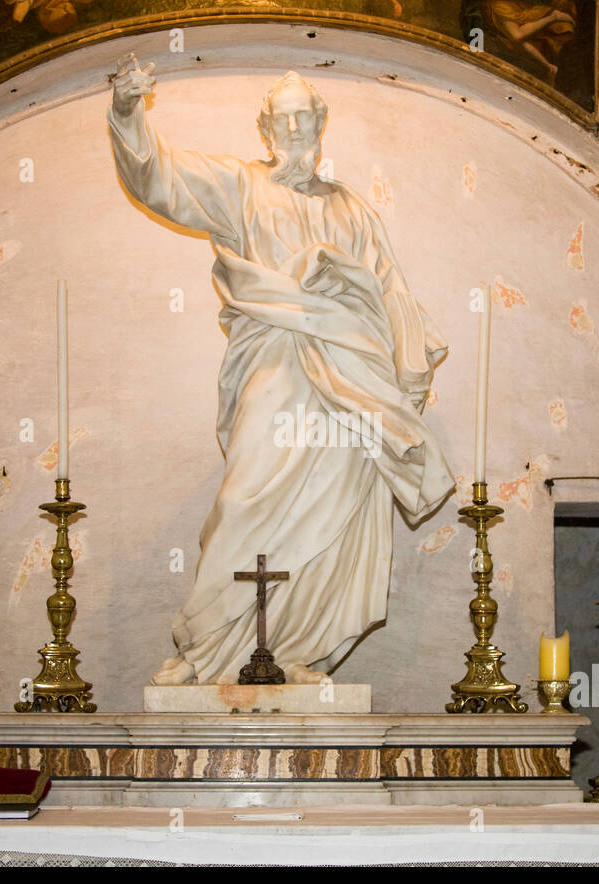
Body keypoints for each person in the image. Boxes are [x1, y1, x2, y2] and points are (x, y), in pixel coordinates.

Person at [109, 55, 453, 684]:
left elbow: (391, 289)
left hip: (350, 380)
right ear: (265, 129)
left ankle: (294, 652)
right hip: (271, 363)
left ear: (321, 124)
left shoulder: (351, 208)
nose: (294, 129)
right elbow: (161, 178)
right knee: (247, 494)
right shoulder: (239, 185)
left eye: (305, 117)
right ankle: (209, 648)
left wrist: (408, 372)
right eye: (283, 119)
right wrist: (129, 112)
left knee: (329, 514)